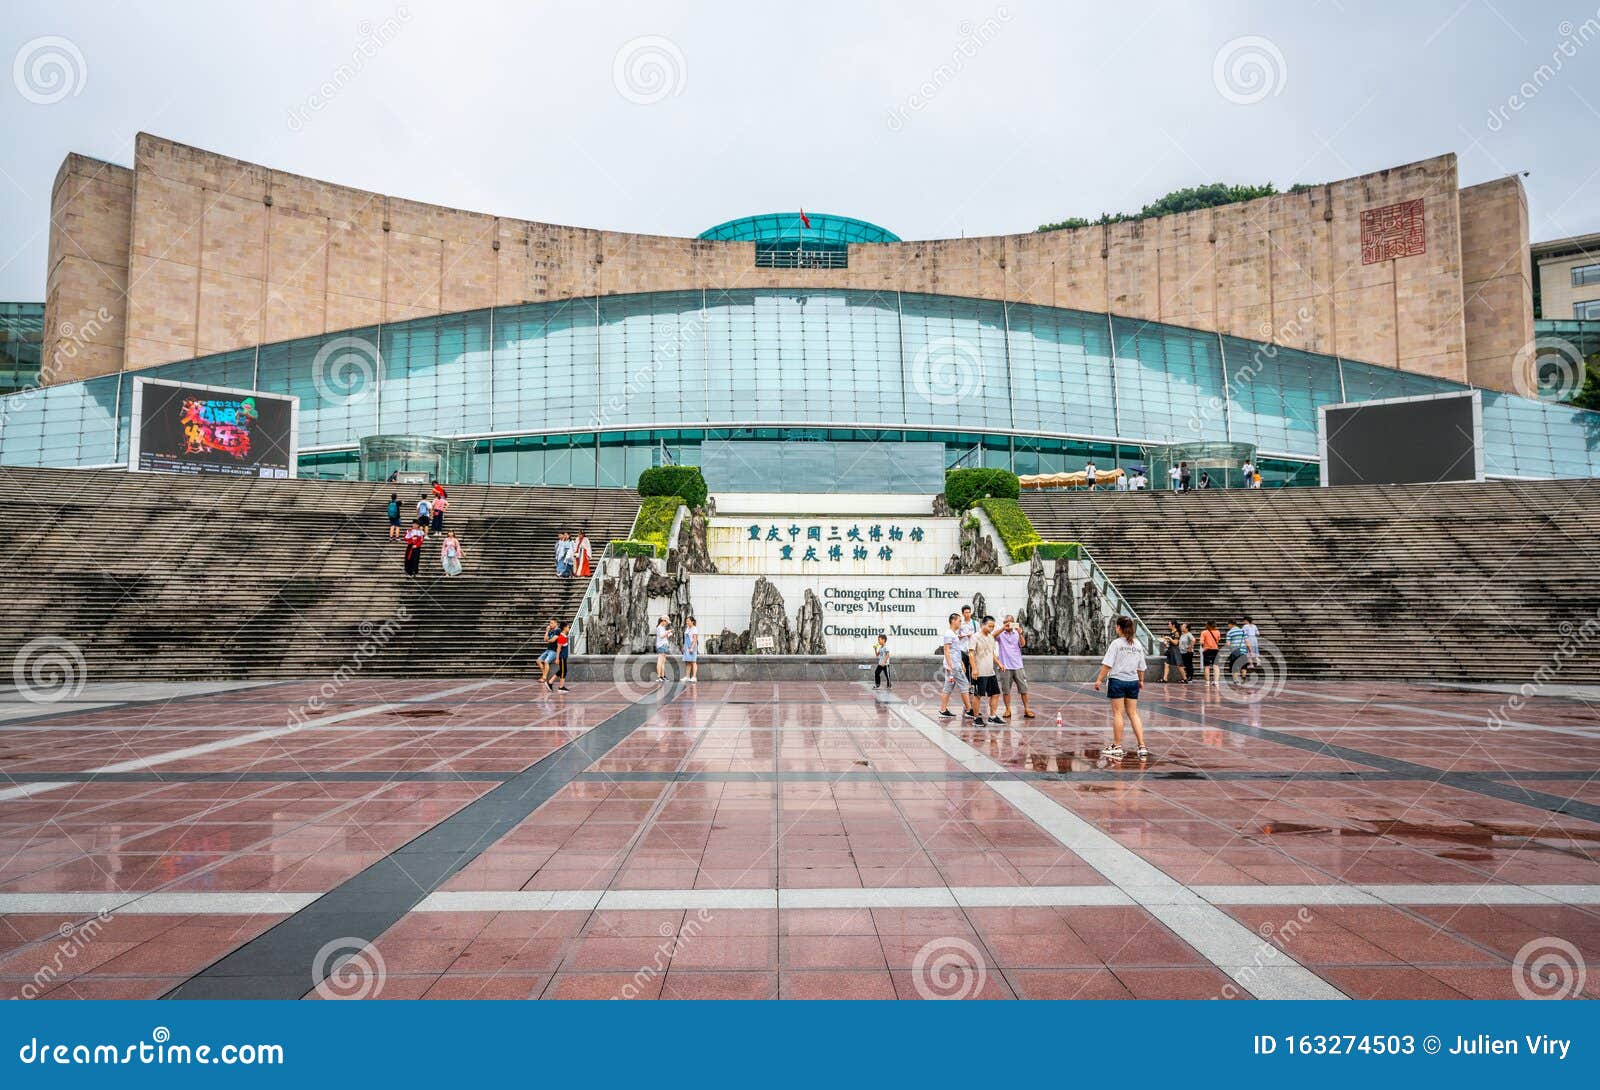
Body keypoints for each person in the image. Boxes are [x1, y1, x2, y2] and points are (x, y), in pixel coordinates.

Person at [1093, 616, 1150, 761]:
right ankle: (1142, 746)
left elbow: (1107, 664)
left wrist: (1099, 679)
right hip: (1133, 682)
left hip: (1117, 681)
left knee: (1118, 713)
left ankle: (1117, 746)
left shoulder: (1116, 644)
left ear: (1119, 628)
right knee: (1133, 713)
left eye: (1116, 626)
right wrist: (1141, 680)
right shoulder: (1137, 644)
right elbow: (1141, 666)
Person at [937, 612, 975, 720]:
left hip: (955, 664)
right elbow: (946, 650)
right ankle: (969, 710)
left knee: (948, 687)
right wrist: (950, 666)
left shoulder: (953, 634)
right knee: (965, 684)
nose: (960, 623)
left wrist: (961, 663)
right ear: (953, 621)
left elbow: (956, 651)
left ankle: (943, 710)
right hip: (953, 666)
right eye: (959, 621)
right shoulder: (949, 634)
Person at [996, 614, 1034, 719]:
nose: (1007, 624)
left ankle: (1027, 709)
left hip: (1018, 665)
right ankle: (1008, 709)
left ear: (1014, 622)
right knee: (1006, 690)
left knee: (1024, 689)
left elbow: (1022, 644)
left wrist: (1020, 633)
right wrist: (1003, 628)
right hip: (1005, 666)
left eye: (1009, 622)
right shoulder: (1001, 634)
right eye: (1005, 622)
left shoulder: (1017, 633)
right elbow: (992, 637)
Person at [970, 616, 1003, 724]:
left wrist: (999, 663)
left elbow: (991, 653)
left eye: (993, 626)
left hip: (990, 672)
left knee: (995, 694)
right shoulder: (975, 637)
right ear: (983, 624)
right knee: (978, 695)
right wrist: (974, 669)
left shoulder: (991, 637)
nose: (991, 628)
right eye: (989, 626)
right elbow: (971, 654)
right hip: (979, 672)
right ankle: (976, 718)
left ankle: (992, 716)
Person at [956, 605, 977, 684]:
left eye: (969, 612)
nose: (968, 614)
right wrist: (961, 636)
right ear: (963, 613)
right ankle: (966, 685)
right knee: (964, 669)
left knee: (973, 668)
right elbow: (956, 636)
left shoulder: (975, 623)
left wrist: (973, 635)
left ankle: (973, 686)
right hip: (963, 649)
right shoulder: (960, 624)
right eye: (966, 612)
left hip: (972, 650)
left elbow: (979, 635)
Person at [538, 617, 561, 689]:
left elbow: (553, 640)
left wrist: (549, 640)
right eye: (550, 623)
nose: (550, 625)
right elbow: (545, 639)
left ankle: (544, 677)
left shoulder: (558, 630)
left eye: (552, 623)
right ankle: (544, 675)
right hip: (548, 650)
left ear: (556, 623)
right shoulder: (551, 631)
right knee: (538, 661)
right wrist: (547, 631)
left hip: (554, 651)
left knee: (546, 661)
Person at [1200, 621, 1222, 686]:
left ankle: (1207, 682)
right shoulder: (1218, 632)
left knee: (1207, 666)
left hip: (1207, 650)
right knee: (1216, 666)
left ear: (1207, 625)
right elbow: (1218, 640)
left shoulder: (1204, 632)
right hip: (1215, 650)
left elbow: (1201, 642)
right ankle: (1216, 682)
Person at [654, 615, 673, 684]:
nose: (667, 623)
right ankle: (659, 677)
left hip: (664, 645)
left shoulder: (662, 627)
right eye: (666, 622)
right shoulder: (659, 628)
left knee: (663, 662)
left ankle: (662, 676)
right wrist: (668, 632)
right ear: (663, 621)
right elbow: (662, 636)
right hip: (661, 645)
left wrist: (668, 633)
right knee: (660, 661)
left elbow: (664, 636)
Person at [682, 615, 700, 684]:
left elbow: (695, 639)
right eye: (686, 621)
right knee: (688, 662)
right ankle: (687, 676)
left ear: (692, 622)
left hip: (692, 646)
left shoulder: (694, 628)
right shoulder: (687, 628)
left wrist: (692, 647)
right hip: (687, 646)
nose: (687, 622)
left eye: (688, 621)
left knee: (693, 661)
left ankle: (694, 677)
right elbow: (685, 639)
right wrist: (684, 647)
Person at [555, 622, 571, 691]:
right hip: (562, 657)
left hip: (564, 657)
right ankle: (561, 687)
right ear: (564, 628)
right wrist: (557, 658)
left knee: (563, 671)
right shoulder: (561, 637)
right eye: (568, 627)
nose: (569, 628)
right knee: (564, 671)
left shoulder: (564, 636)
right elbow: (558, 648)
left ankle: (550, 682)